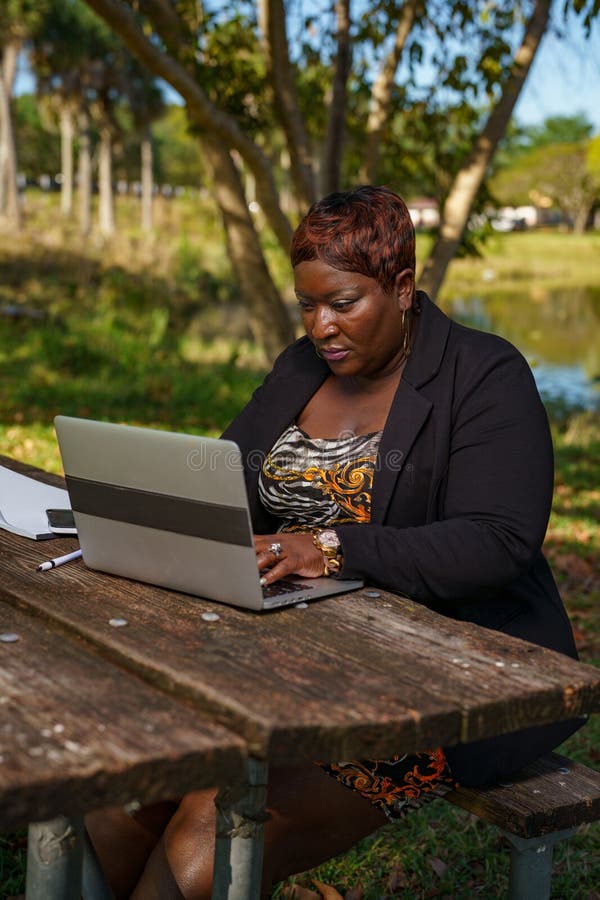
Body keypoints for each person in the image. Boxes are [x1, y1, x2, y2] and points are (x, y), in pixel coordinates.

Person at [87, 186, 583, 899]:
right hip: (285, 657)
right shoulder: (302, 366)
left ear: (403, 288)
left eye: (343, 303)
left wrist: (332, 547)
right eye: (307, 305)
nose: (322, 326)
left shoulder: (482, 376)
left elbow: (496, 541)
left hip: (427, 687)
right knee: (119, 801)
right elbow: (228, 473)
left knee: (208, 843)